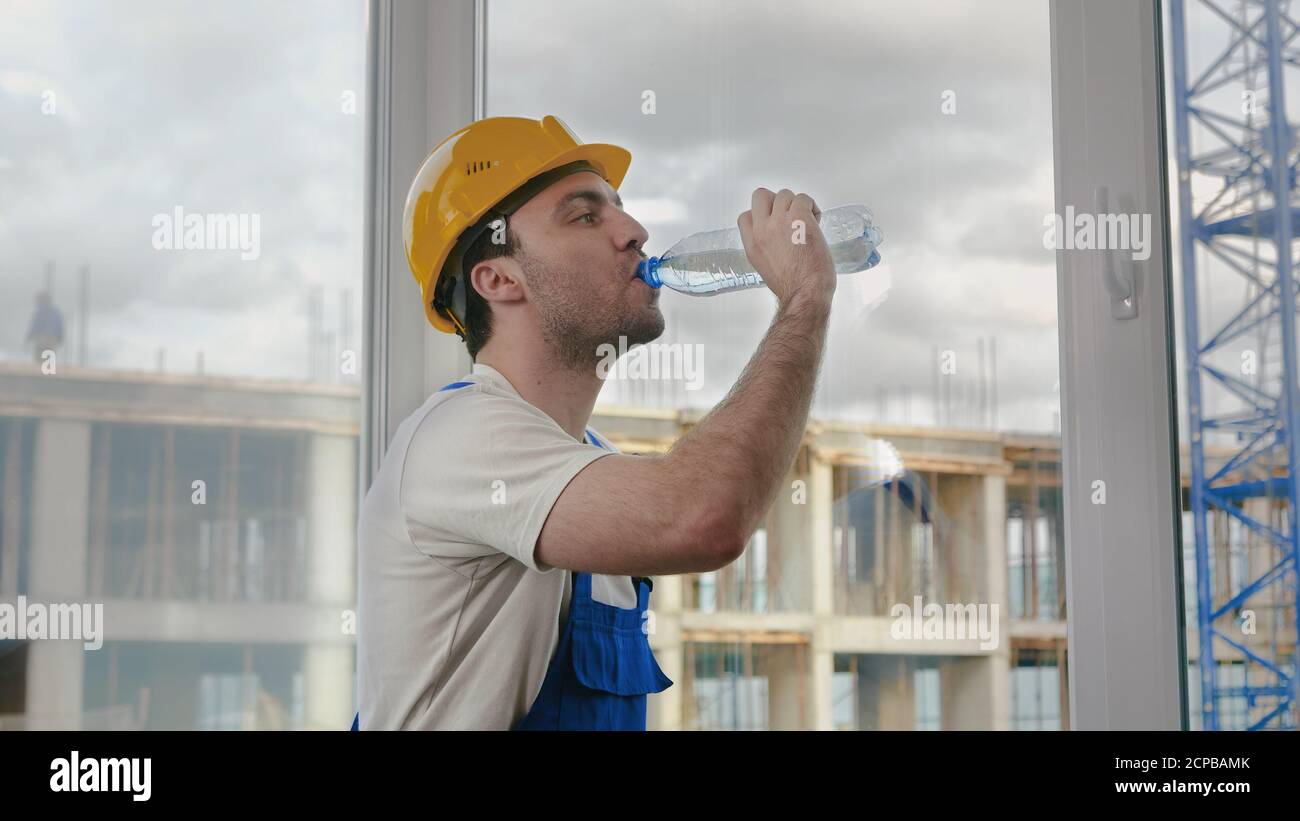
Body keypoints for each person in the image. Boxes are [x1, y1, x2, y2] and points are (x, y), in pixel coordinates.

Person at [354, 115, 837, 730]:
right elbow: (705, 515)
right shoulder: (459, 437)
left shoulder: (589, 471)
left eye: (622, 210)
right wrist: (804, 299)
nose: (634, 232)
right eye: (585, 216)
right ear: (499, 279)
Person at [25, 290, 64, 364]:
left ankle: (39, 373)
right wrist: (60, 337)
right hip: (52, 339)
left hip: (41, 338)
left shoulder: (40, 311)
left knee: (39, 359)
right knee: (49, 361)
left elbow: (35, 325)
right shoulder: (56, 311)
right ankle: (48, 373)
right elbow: (60, 326)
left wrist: (29, 337)